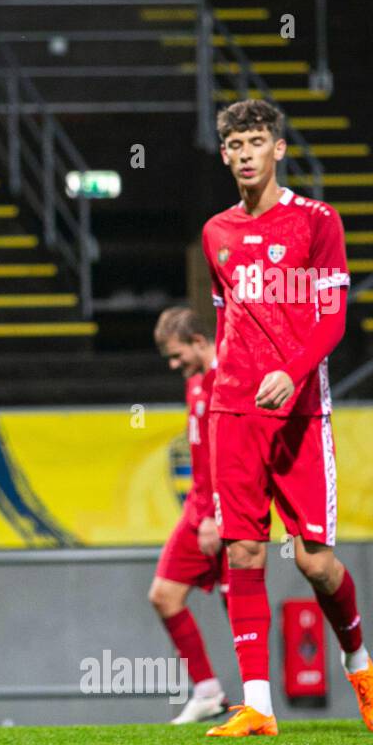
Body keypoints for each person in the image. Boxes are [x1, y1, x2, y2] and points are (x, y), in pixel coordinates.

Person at [200, 99, 373, 737]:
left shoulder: (317, 221)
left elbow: (334, 319)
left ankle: (358, 663)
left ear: (278, 148)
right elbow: (227, 316)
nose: (247, 153)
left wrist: (294, 368)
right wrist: (224, 378)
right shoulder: (215, 232)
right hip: (234, 409)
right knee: (245, 552)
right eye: (236, 144)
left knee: (314, 562)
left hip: (301, 410)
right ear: (224, 154)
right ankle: (257, 704)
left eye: (258, 141)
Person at [149, 307, 229, 723]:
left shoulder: (229, 382)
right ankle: (208, 690)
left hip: (229, 509)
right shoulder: (197, 384)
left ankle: (257, 701)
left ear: (200, 341)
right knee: (163, 595)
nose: (174, 365)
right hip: (199, 510)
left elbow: (229, 458)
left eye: (178, 354)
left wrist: (217, 515)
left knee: (240, 603)